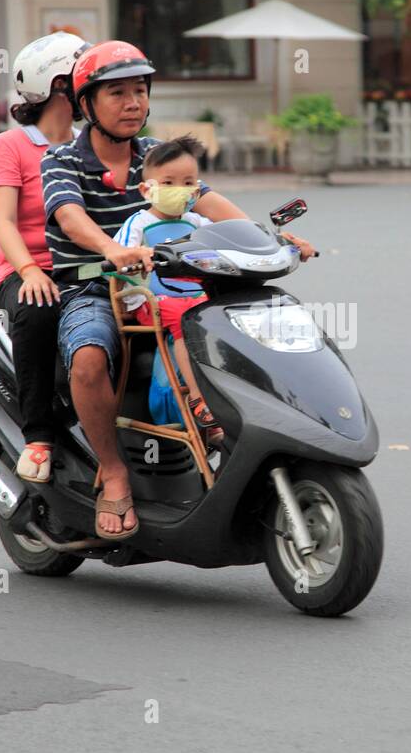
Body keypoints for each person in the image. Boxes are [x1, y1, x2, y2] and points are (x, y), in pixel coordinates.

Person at [39, 40, 314, 540]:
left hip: (174, 288)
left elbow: (213, 205)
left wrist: (270, 239)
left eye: (140, 91)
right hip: (96, 287)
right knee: (88, 359)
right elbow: (69, 216)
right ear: (86, 105)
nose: (133, 103)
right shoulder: (61, 159)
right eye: (117, 93)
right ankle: (115, 473)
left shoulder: (158, 156)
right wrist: (112, 248)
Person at [0, 32, 90, 483]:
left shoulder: (92, 143)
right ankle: (39, 437)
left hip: (89, 268)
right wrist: (28, 270)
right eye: (88, 77)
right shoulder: (10, 146)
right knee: (39, 308)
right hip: (30, 272)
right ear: (60, 85)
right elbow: (4, 220)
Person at [114, 135, 226, 446]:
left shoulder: (196, 222)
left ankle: (228, 397)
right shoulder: (138, 224)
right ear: (146, 189)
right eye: (169, 182)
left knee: (225, 314)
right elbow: (117, 259)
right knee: (184, 318)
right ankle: (198, 398)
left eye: (188, 182)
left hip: (190, 296)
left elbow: (224, 241)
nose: (180, 189)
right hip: (150, 299)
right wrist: (136, 260)